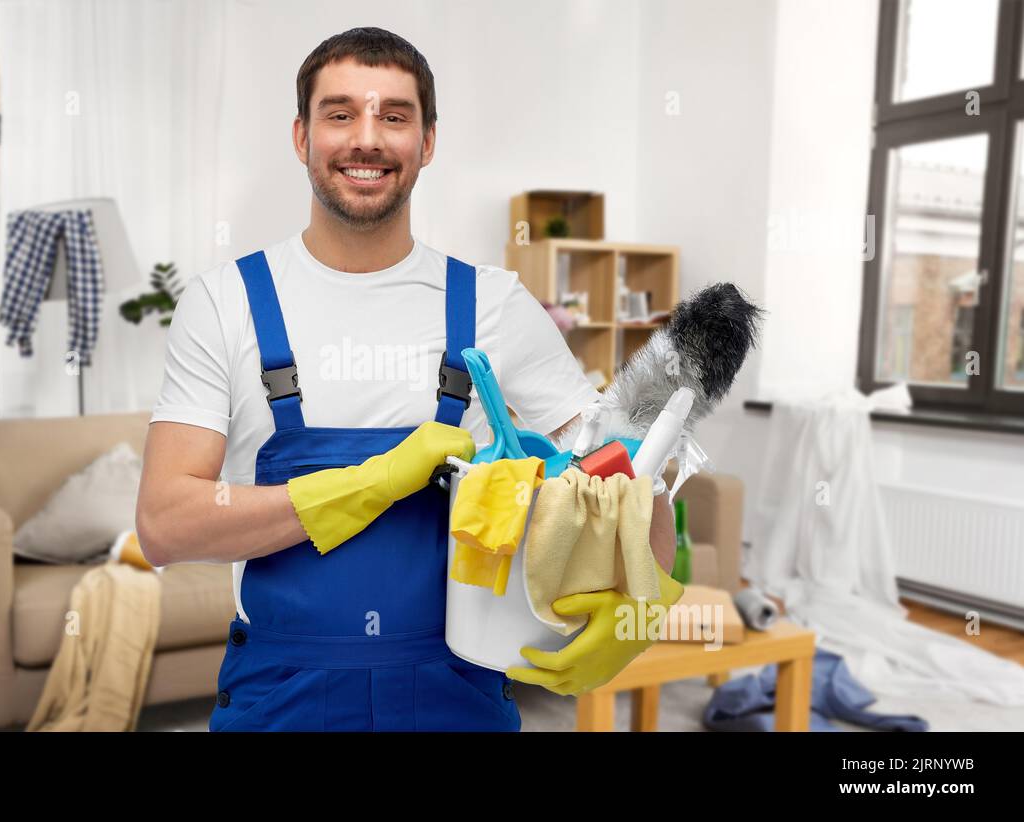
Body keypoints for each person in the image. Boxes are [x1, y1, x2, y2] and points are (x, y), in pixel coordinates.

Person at [137, 26, 677, 732]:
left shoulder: (494, 305)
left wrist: (645, 601)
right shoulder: (225, 303)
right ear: (301, 137)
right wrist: (372, 482)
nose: (367, 138)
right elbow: (165, 524)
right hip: (281, 697)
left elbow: (629, 474)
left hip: (458, 694)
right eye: (340, 114)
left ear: (427, 142)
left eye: (394, 116)